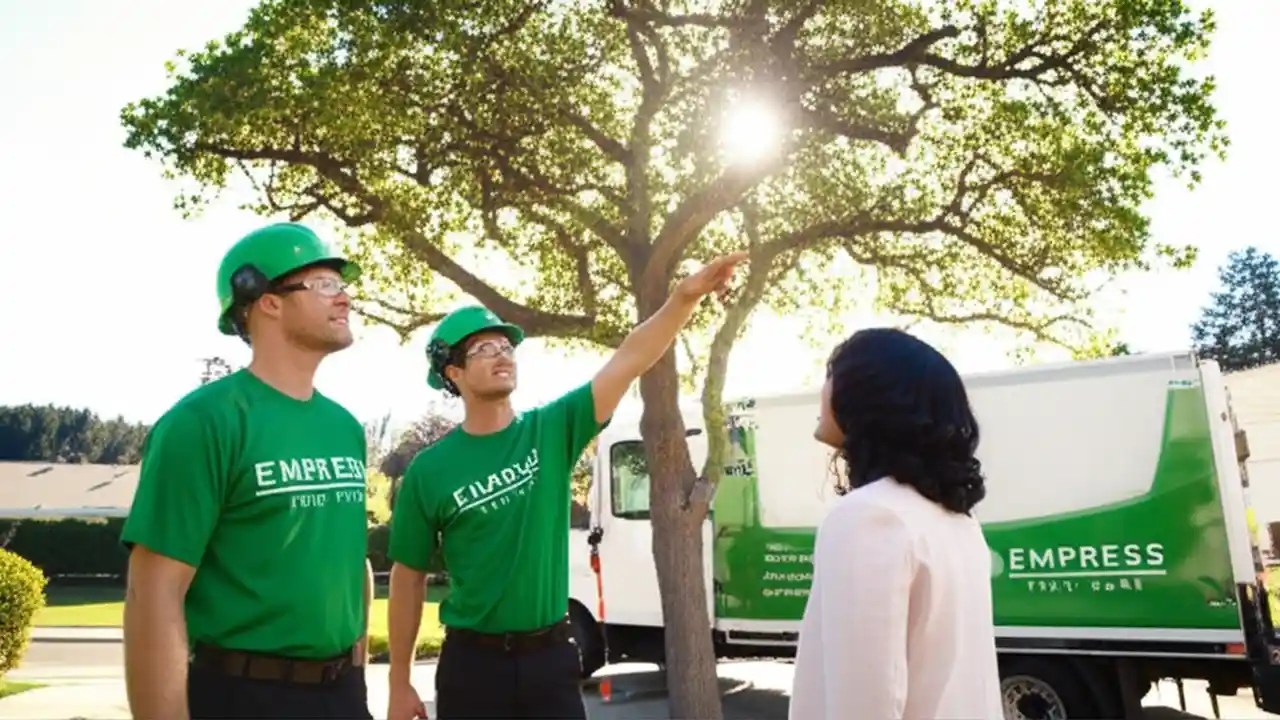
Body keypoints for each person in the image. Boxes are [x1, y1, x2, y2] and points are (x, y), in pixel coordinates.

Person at [385, 252, 748, 720]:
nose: (501, 354)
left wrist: (683, 297)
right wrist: (398, 682)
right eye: (482, 349)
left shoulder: (552, 429)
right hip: (472, 668)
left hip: (549, 659)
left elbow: (630, 359)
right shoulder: (429, 470)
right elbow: (407, 576)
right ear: (453, 373)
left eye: (505, 346)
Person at [120, 222, 376, 720]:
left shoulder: (345, 427)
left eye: (343, 286)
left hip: (343, 694)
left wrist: (358, 676)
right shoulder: (201, 423)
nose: (344, 298)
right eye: (325, 284)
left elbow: (350, 566)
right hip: (244, 697)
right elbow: (153, 590)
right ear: (267, 301)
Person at [789, 327, 1003, 720]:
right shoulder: (955, 520)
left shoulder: (868, 516)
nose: (821, 391)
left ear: (867, 396)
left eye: (830, 375)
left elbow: (866, 700)